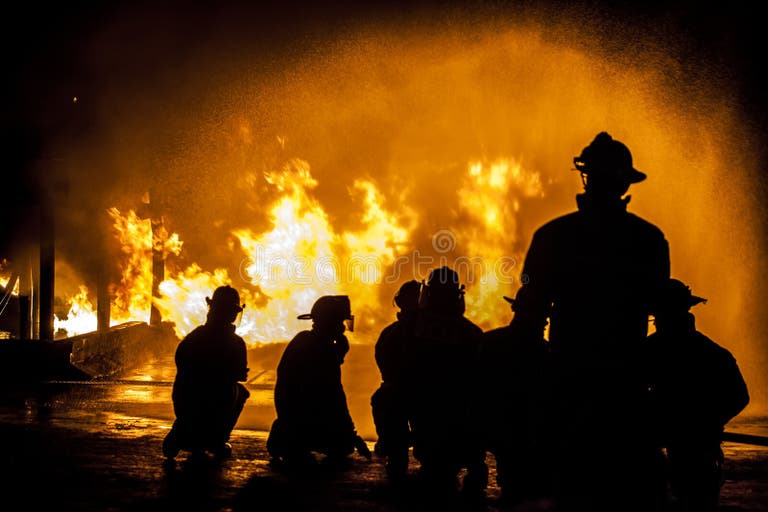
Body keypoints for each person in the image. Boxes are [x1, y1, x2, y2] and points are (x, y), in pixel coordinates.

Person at [512, 132, 671, 510]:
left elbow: (530, 308)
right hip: (626, 380)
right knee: (632, 489)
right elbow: (662, 309)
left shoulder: (552, 236)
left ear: (586, 178)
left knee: (562, 483)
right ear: (625, 183)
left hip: (567, 375)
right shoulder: (648, 239)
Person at [645, 279, 750, 511]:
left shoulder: (649, 352)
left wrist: (701, 423)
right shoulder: (713, 352)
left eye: (658, 315)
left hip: (688, 451)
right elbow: (739, 396)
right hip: (699, 450)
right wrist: (709, 423)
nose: (657, 322)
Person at [406, 266, 487, 499]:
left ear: (428, 294)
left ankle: (397, 452)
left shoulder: (408, 330)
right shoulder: (472, 334)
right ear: (457, 296)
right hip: (457, 417)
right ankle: (473, 463)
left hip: (428, 414)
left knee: (387, 396)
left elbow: (391, 367)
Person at [267, 295, 370, 467]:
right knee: (341, 446)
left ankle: (289, 436)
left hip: (303, 415)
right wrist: (351, 435)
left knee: (343, 446)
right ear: (329, 322)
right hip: (302, 415)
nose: (342, 328)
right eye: (339, 322)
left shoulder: (311, 342)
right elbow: (332, 395)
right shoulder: (317, 348)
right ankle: (287, 437)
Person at [479, 289, 552, 506]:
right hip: (527, 434)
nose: (546, 322)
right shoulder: (545, 353)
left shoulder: (488, 341)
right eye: (543, 315)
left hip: (495, 430)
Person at [162, 285, 250, 461]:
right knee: (241, 392)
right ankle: (217, 440)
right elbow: (240, 375)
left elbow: (181, 363)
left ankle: (183, 431)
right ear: (233, 314)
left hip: (184, 403)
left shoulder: (193, 337)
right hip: (214, 404)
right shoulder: (236, 343)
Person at [371, 279, 421, 480]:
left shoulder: (391, 333)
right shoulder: (452, 331)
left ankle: (395, 447)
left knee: (383, 399)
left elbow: (386, 368)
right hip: (427, 399)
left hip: (419, 397)